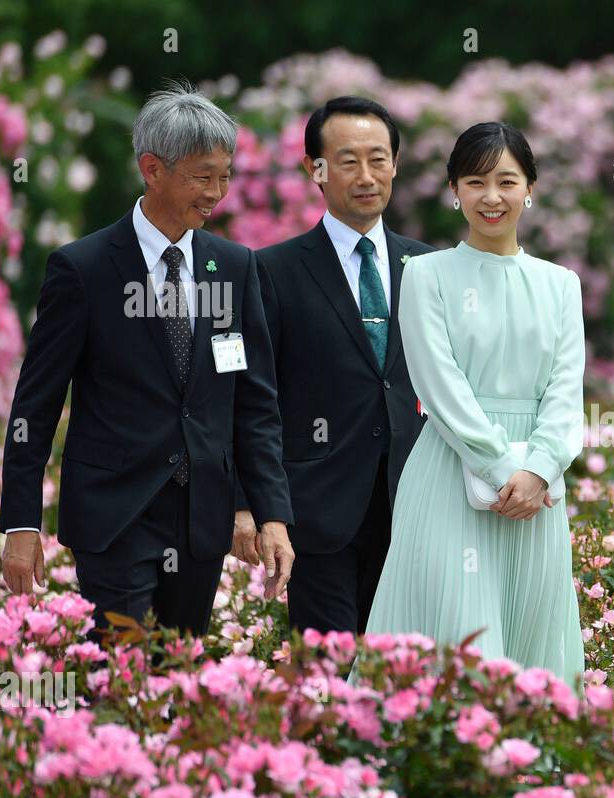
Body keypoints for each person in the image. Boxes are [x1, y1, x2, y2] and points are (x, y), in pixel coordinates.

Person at [0, 80, 294, 636]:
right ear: (152, 169)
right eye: (202, 177)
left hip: (201, 519)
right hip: (116, 514)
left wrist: (265, 510)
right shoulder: (82, 269)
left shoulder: (234, 267)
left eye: (225, 176)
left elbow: (255, 404)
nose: (217, 191)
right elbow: (34, 405)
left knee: (179, 676)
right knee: (121, 669)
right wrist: (20, 521)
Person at [364, 122, 585, 684]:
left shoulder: (560, 284)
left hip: (538, 490)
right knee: (459, 641)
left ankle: (530, 771)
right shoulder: (425, 275)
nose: (492, 197)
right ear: (454, 191)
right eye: (475, 181)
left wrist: (538, 468)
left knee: (532, 634)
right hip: (449, 475)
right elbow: (438, 386)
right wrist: (502, 466)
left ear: (530, 188)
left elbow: (566, 391)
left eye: (507, 181)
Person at [231, 97, 434, 636]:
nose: (366, 176)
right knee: (326, 684)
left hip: (415, 511)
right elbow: (251, 399)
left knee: (408, 683)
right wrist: (250, 505)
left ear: (395, 163)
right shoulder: (271, 272)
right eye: (347, 161)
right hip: (317, 518)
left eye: (378, 159)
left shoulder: (430, 269)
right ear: (314, 169)